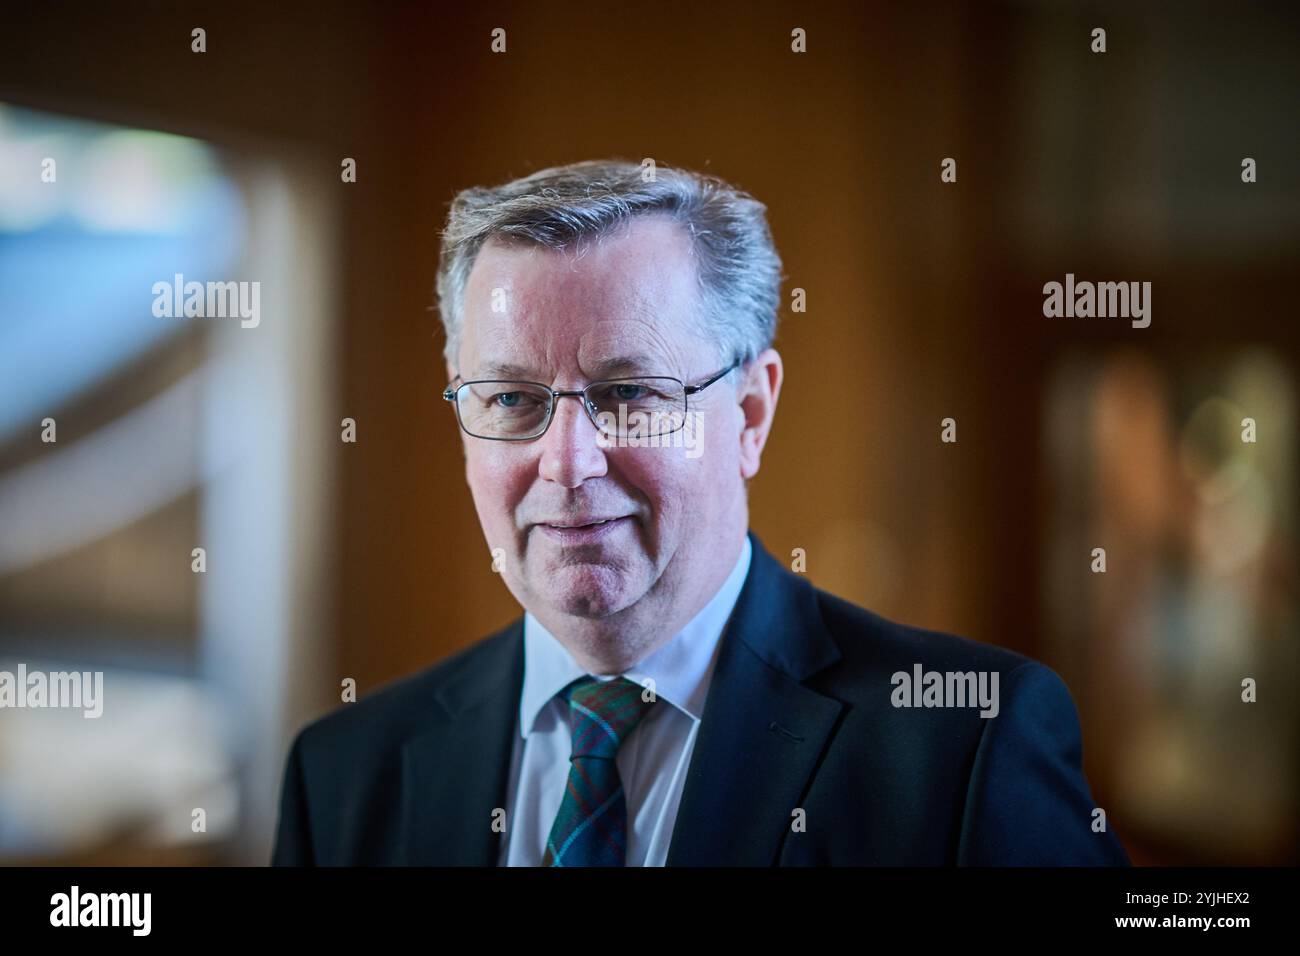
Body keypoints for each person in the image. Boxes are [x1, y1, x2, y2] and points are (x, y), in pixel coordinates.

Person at [271, 159, 1129, 866]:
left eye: (631, 392)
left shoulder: (963, 749)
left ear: (751, 412)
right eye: (510, 399)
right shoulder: (345, 775)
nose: (567, 461)